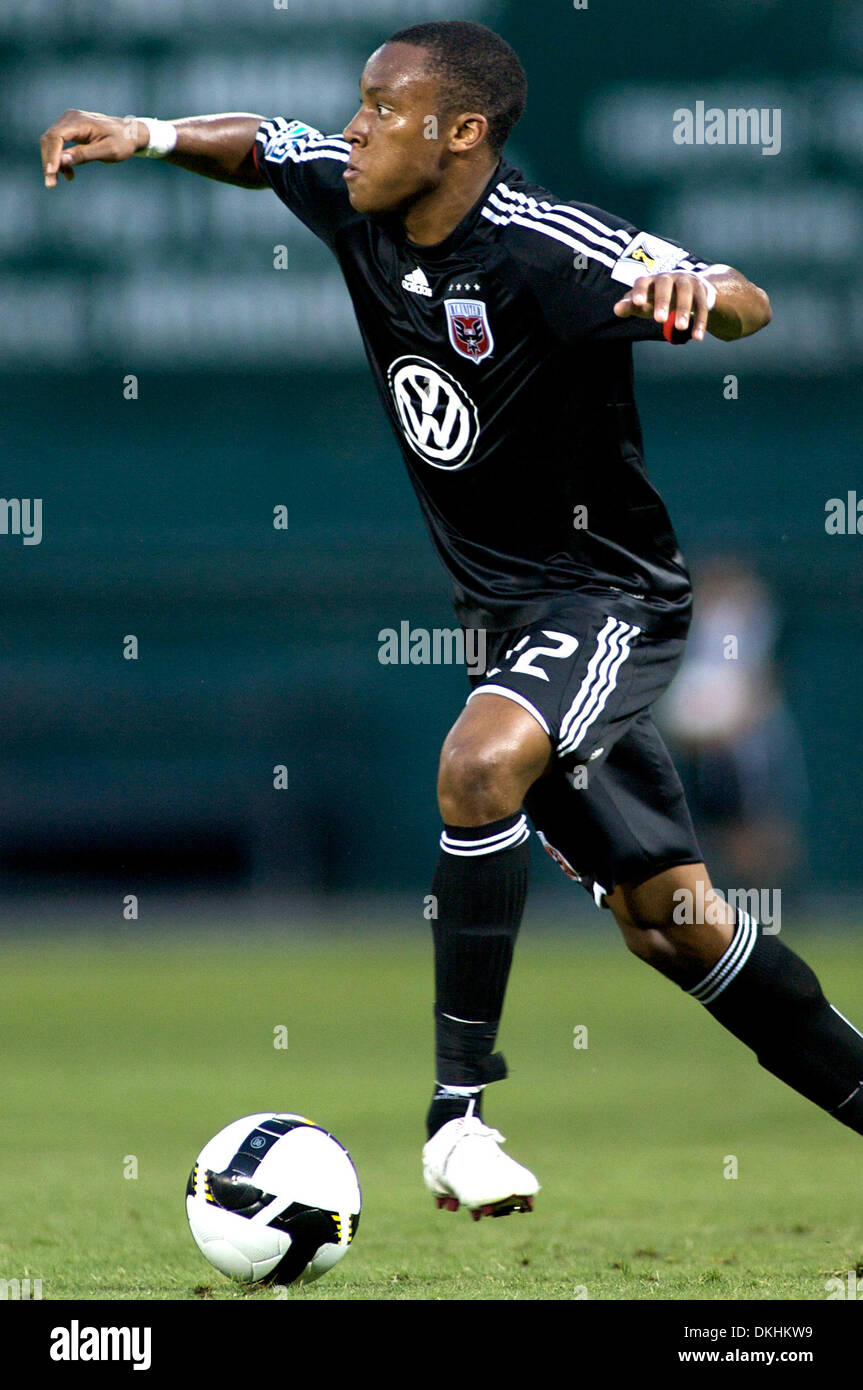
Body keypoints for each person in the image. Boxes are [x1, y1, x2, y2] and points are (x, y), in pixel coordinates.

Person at [41, 20, 863, 1224]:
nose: (356, 126)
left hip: (608, 604)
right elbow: (265, 149)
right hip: (510, 623)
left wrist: (706, 293)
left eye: (382, 106)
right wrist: (148, 135)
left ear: (461, 133)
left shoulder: (543, 249)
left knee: (478, 764)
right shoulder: (359, 200)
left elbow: (745, 303)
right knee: (674, 926)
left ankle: (455, 1117)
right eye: (360, 103)